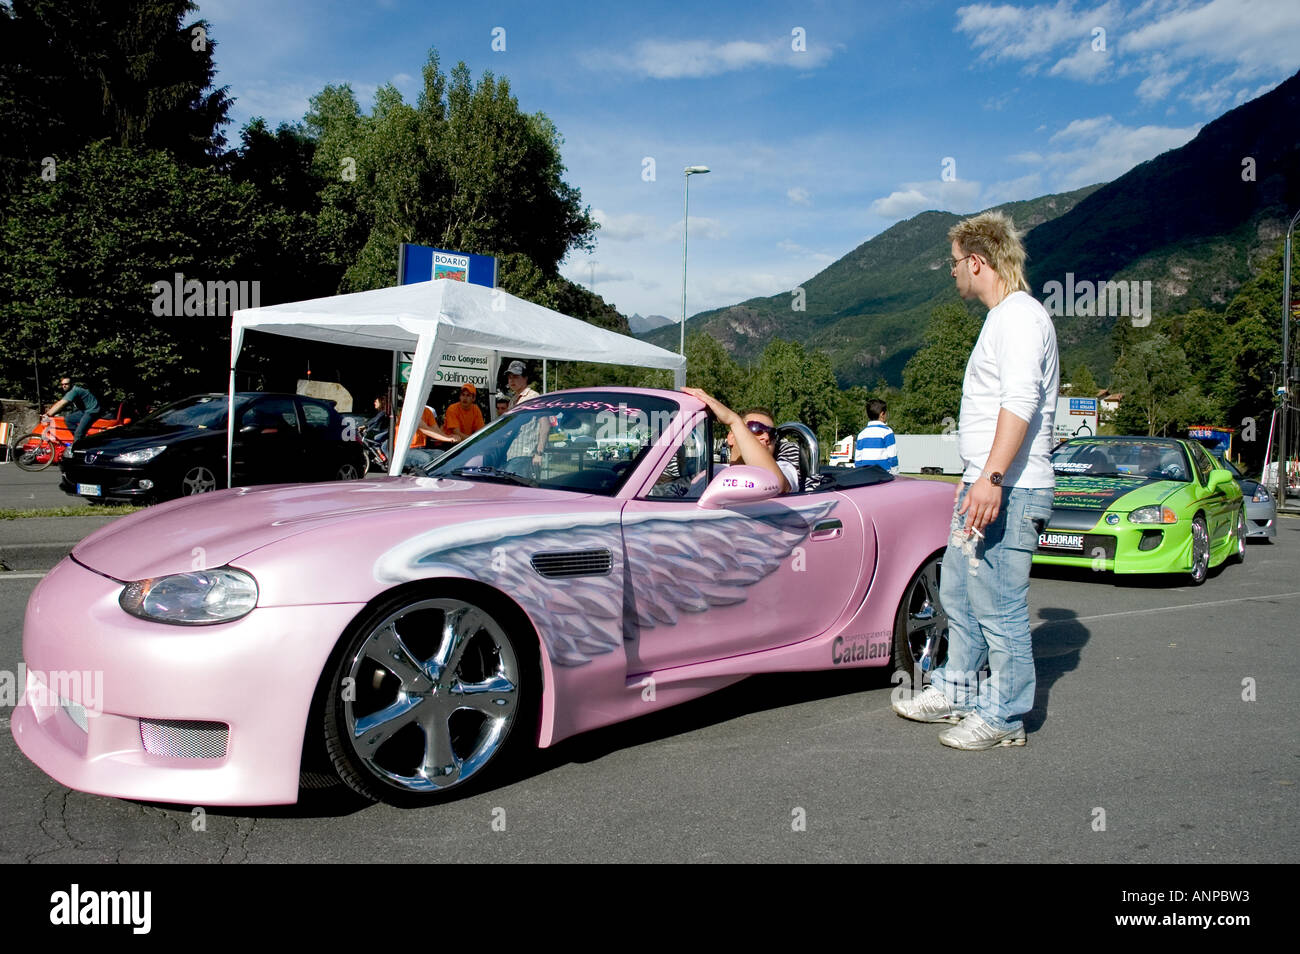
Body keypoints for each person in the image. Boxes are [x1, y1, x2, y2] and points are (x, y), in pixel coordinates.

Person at [892, 210, 1058, 750]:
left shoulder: (1020, 318)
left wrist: (991, 477)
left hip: (1009, 486)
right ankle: (958, 690)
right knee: (960, 595)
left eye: (955, 262)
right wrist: (974, 480)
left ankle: (1005, 717)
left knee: (1000, 605)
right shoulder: (1001, 318)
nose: (952, 272)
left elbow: (1021, 402)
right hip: (983, 483)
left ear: (978, 262)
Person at [681, 387, 797, 493]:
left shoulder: (783, 469)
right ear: (731, 438)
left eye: (772, 434)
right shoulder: (711, 473)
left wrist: (733, 420)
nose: (766, 437)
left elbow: (776, 484)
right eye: (756, 428)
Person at [399, 402, 460, 470]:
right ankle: (422, 478)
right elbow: (425, 429)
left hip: (421, 448)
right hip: (404, 450)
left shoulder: (427, 411)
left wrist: (449, 436)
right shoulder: (409, 410)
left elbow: (436, 430)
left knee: (443, 455)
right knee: (426, 460)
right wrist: (448, 438)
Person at [47, 375, 102, 444]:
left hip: (93, 410)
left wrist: (48, 414)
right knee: (68, 419)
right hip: (84, 410)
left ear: (71, 384)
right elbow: (61, 403)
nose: (64, 386)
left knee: (78, 433)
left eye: (66, 384)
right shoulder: (71, 392)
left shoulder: (74, 391)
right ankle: (82, 439)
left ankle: (78, 449)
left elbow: (61, 404)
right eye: (62, 384)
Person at [854, 399, 899, 475]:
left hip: (865, 474)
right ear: (882, 414)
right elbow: (892, 455)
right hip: (883, 474)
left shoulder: (861, 434)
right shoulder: (887, 432)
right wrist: (895, 472)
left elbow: (858, 459)